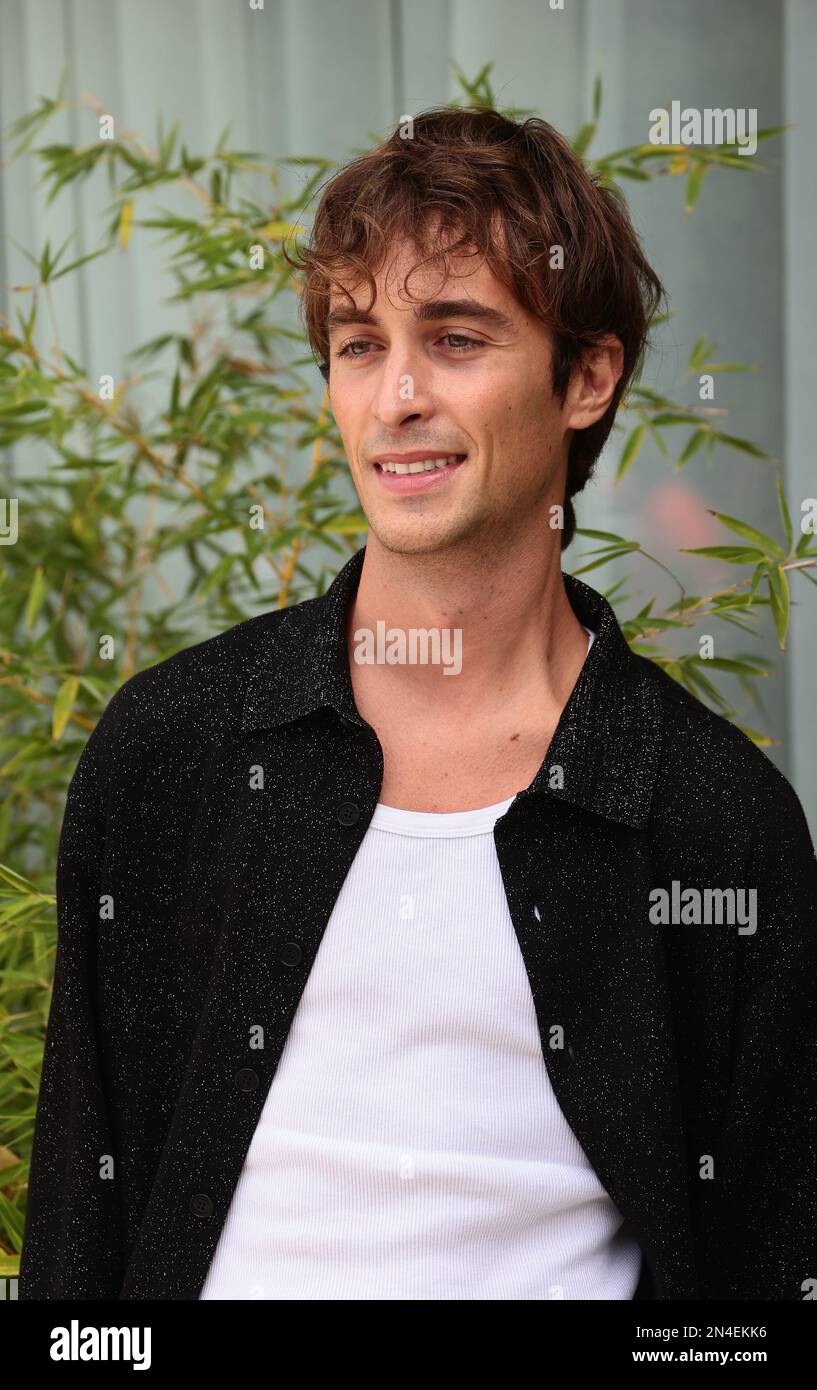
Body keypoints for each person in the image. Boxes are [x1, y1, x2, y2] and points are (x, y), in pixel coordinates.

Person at [19, 107, 817, 1301]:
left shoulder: (708, 817)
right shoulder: (172, 749)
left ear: (586, 377)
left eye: (453, 338)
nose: (394, 395)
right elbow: (82, 1222)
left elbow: (765, 1272)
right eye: (356, 343)